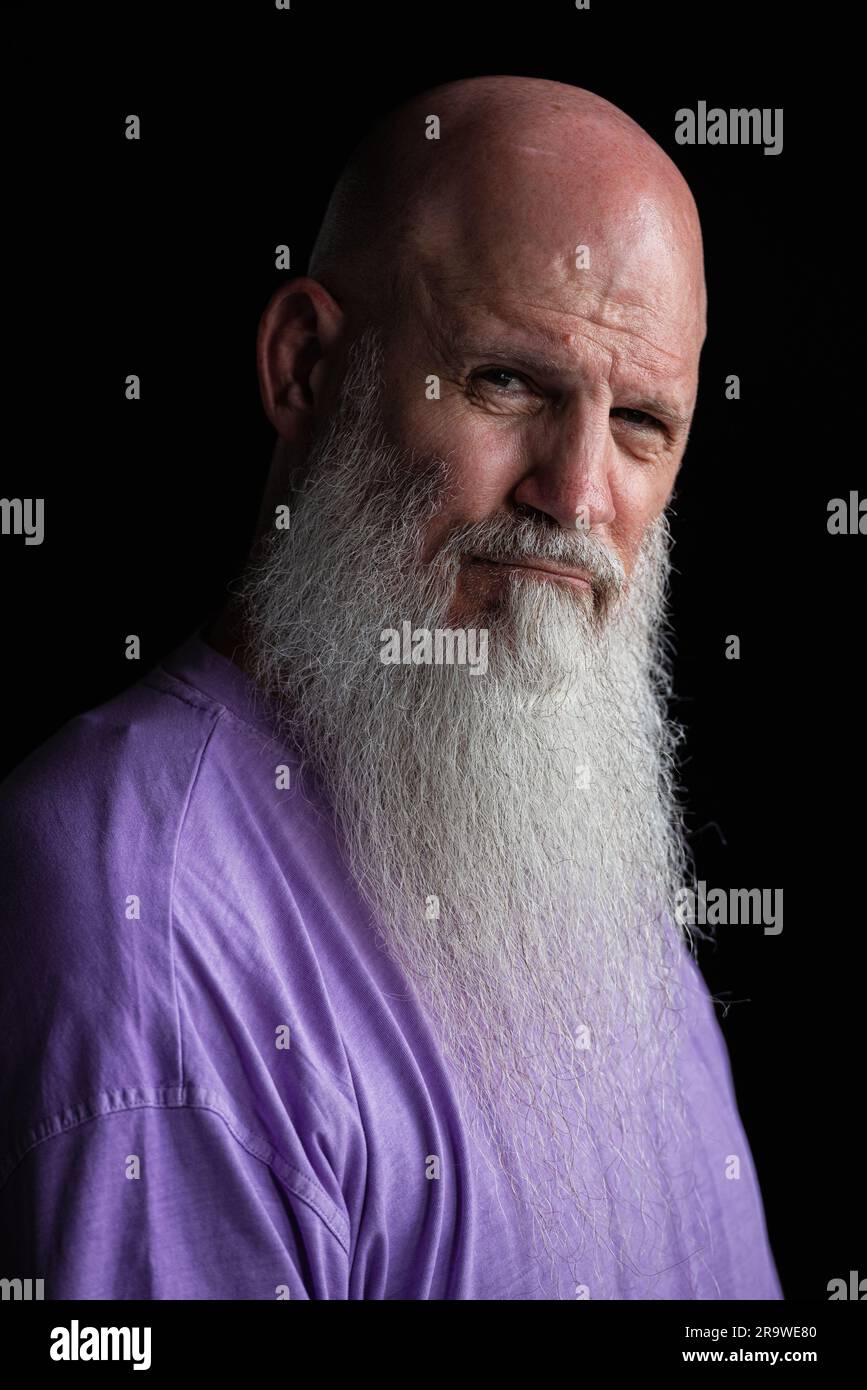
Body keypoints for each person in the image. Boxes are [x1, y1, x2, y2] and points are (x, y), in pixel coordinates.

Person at [0, 76, 781, 1299]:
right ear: (306, 366)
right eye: (508, 382)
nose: (577, 502)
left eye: (639, 420)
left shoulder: (564, 853)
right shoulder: (131, 908)